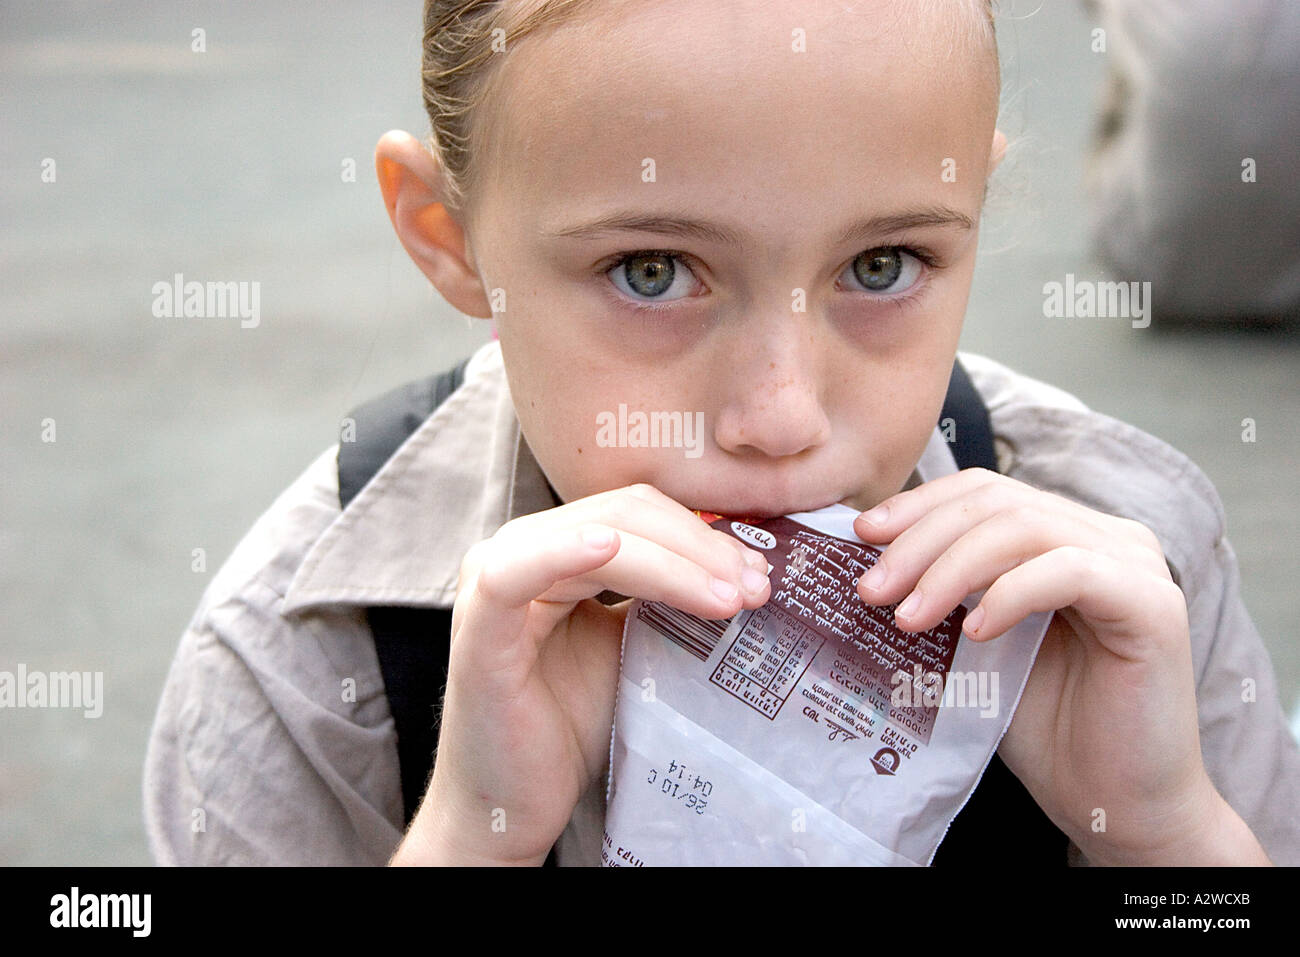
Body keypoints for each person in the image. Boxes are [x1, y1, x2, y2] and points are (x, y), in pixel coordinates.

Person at [142, 0, 1300, 866]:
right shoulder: (312, 661)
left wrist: (1162, 833)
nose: (781, 418)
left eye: (882, 265)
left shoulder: (1125, 573)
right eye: (652, 272)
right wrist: (468, 839)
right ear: (448, 233)